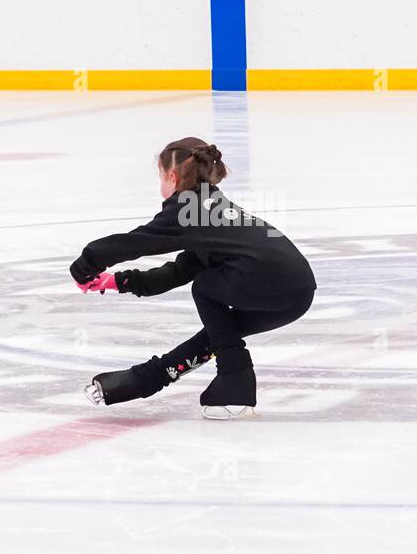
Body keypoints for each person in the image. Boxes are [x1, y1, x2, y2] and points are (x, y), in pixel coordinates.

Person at [70, 137, 316, 419]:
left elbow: (136, 242)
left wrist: (85, 264)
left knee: (206, 289)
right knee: (219, 332)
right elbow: (183, 269)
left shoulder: (189, 208)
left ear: (172, 176)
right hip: (298, 291)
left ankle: (236, 383)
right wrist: (118, 281)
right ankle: (151, 379)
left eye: (161, 177)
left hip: (270, 280)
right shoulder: (211, 207)